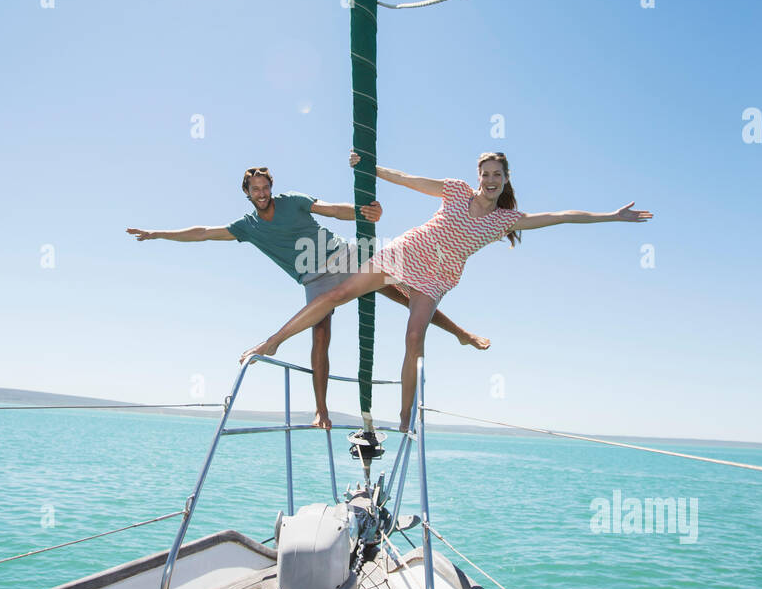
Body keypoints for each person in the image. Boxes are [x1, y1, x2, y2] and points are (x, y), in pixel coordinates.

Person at [240, 151, 653, 430]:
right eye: (485, 174)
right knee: (335, 295)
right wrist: (370, 168)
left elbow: (559, 217)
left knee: (414, 337)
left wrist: (610, 217)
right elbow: (409, 180)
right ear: (478, 177)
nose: (490, 180)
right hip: (406, 253)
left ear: (505, 179)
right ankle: (273, 341)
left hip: (437, 276)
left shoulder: (504, 220)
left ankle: (405, 418)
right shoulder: (455, 190)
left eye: (497, 175)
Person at [127, 165, 489, 429]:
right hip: (313, 278)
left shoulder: (293, 201)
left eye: (265, 187)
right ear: (247, 193)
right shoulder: (247, 227)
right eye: (254, 189)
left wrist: (363, 212)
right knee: (320, 335)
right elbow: (204, 232)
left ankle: (460, 333)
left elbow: (332, 210)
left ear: (271, 187)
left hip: (342, 254)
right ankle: (321, 411)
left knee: (404, 292)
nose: (261, 193)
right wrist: (158, 234)